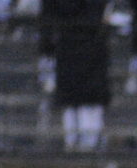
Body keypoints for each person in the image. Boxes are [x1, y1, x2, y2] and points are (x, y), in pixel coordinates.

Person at [42, 0, 113, 152]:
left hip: (70, 46)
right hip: (87, 45)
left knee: (76, 101)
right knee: (87, 101)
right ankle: (85, 143)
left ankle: (76, 142)